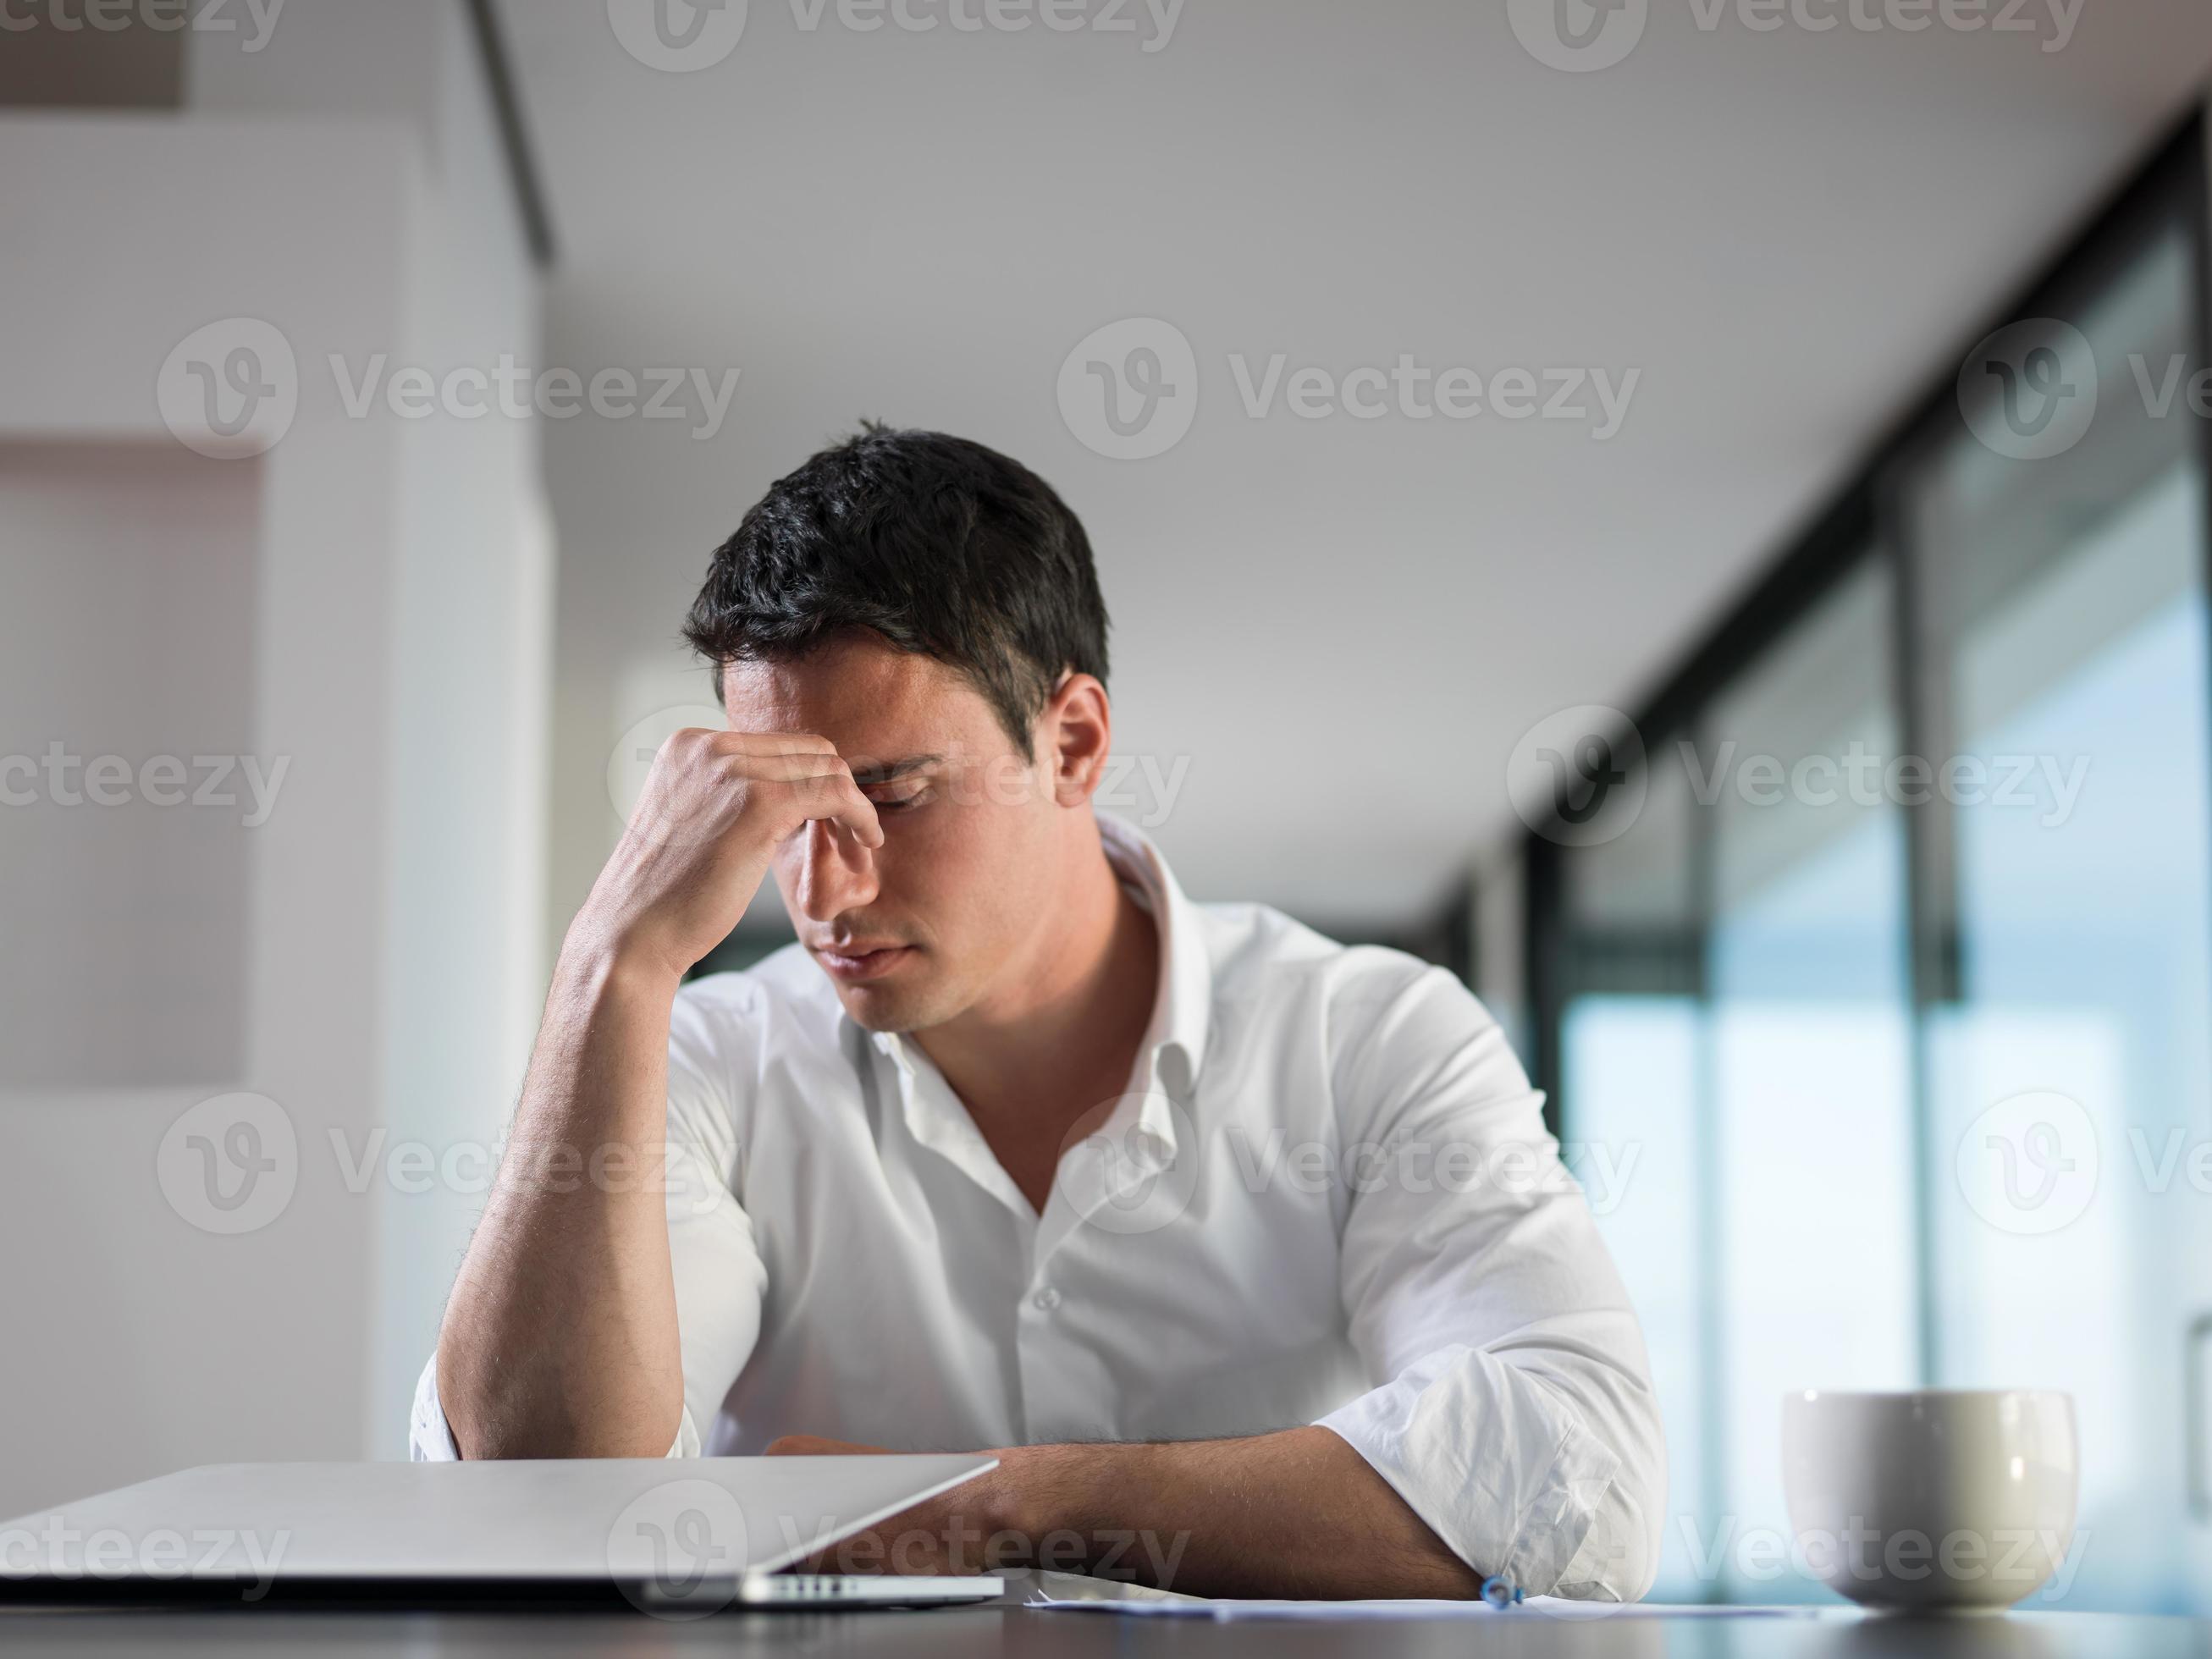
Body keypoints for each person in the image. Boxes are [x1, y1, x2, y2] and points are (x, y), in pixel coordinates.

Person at [416, 425, 1663, 1600]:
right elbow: (542, 1507)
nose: (823, 894)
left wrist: (995, 1507)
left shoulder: (1373, 1039)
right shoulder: (706, 1061)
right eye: (781, 815)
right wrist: (611, 962)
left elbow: (1584, 1482)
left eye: (893, 796)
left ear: (1070, 743)